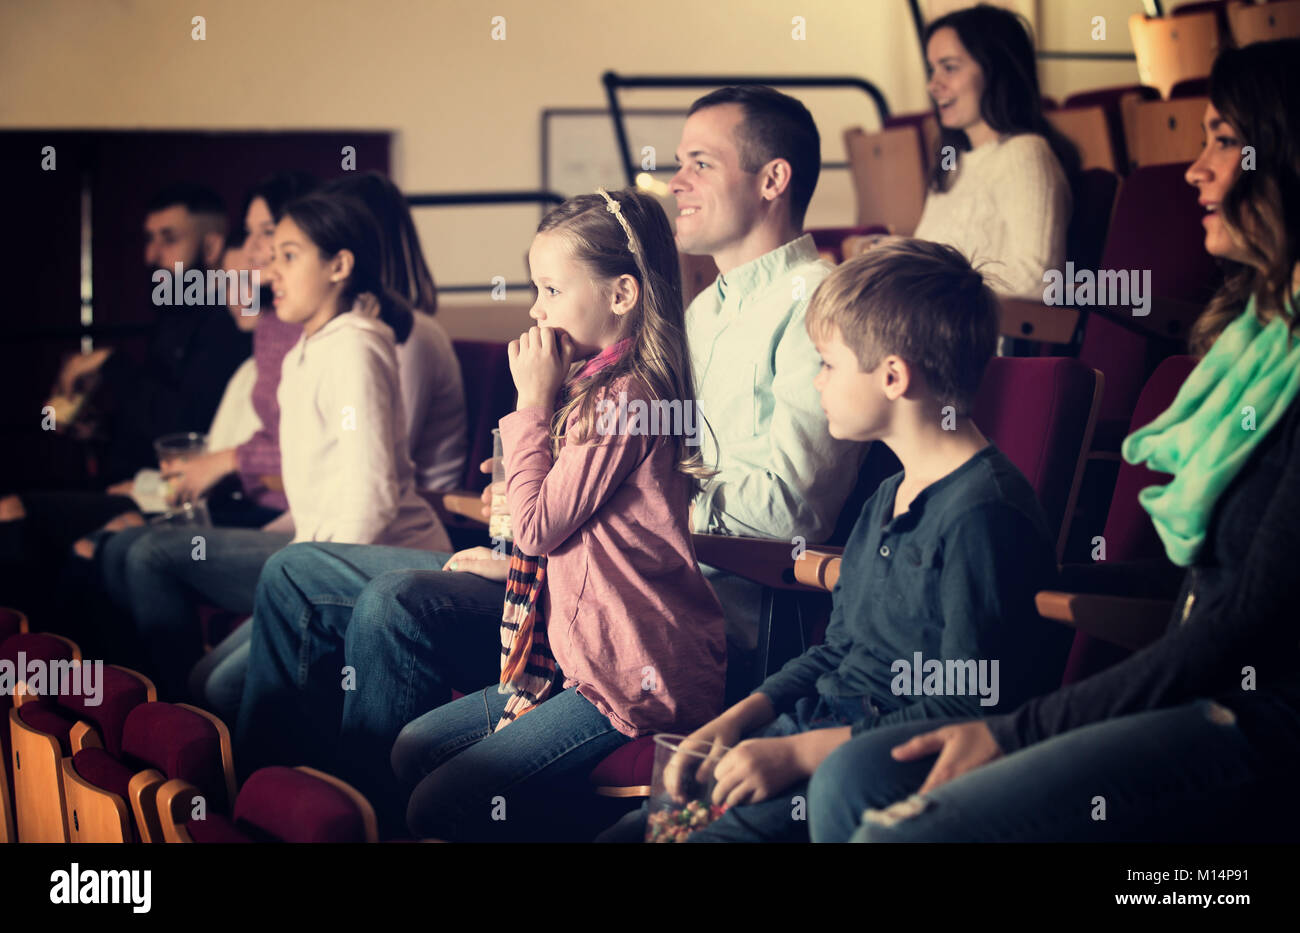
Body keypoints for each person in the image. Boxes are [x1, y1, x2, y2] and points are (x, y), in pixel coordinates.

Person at [225, 86, 863, 827]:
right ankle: (298, 812)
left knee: (391, 602)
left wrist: (589, 492)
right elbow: (605, 489)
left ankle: (345, 822)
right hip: (586, 587)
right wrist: (571, 490)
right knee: (305, 582)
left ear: (772, 179)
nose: (675, 179)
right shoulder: (701, 310)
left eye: (699, 161)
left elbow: (785, 509)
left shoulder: (815, 301)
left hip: (680, 615)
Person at [808, 38, 1300, 844]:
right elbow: (1206, 586)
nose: (1195, 170)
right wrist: (1051, 580)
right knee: (856, 772)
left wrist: (1017, 728)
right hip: (1206, 682)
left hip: (1260, 719)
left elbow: (1241, 620)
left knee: (899, 829)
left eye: (1221, 141)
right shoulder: (1257, 350)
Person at [596, 239, 1071, 843]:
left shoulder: (985, 514)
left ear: (893, 377)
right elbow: (838, 651)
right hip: (810, 732)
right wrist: (739, 719)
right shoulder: (886, 496)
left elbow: (972, 706)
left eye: (828, 364)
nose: (817, 383)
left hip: (870, 769)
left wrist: (800, 755)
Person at [383, 187, 725, 842]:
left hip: (635, 678)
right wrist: (529, 457)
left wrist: (530, 406)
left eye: (551, 290)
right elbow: (544, 524)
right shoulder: (594, 388)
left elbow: (539, 524)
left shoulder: (628, 397)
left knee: (435, 804)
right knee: (413, 747)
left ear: (622, 294)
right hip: (584, 664)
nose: (537, 311)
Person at [104, 190, 452, 699]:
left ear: (339, 266)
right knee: (206, 680)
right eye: (273, 259)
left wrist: (299, 574)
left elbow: (371, 501)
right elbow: (317, 491)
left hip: (386, 562)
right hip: (314, 558)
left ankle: (244, 769)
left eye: (289, 257)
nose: (269, 274)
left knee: (221, 686)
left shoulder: (355, 348)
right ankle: (176, 738)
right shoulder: (302, 355)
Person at [910, 4, 1077, 298]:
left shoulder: (1025, 152)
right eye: (932, 69)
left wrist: (927, 280)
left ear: (995, 71)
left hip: (983, 339)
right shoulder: (952, 162)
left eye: (949, 67)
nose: (933, 84)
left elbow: (1038, 278)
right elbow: (929, 261)